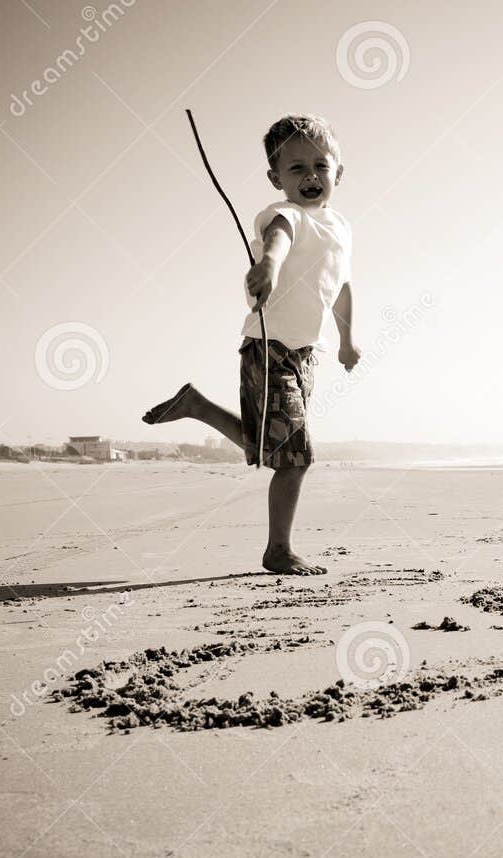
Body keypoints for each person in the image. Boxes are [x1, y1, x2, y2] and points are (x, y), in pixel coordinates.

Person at [144, 114, 359, 575]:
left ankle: (198, 406)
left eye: (320, 166)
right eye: (296, 168)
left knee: (273, 449)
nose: (310, 177)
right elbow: (277, 242)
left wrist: (346, 341)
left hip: (306, 356)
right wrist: (269, 267)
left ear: (338, 173)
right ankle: (277, 549)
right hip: (269, 347)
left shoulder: (340, 228)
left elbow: (341, 288)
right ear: (275, 177)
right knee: (297, 455)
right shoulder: (284, 216)